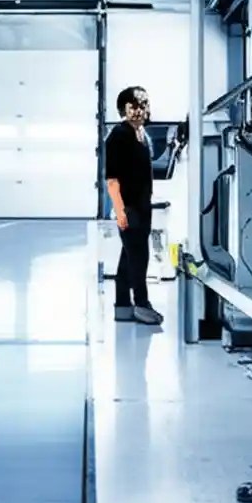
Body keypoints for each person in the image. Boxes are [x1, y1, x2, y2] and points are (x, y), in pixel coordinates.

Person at [105, 86, 164, 326]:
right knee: (139, 256)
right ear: (124, 109)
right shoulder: (119, 135)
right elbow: (112, 179)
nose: (140, 110)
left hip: (141, 205)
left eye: (143, 105)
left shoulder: (141, 134)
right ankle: (141, 304)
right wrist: (120, 211)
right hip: (129, 207)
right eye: (134, 106)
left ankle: (122, 306)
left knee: (128, 255)